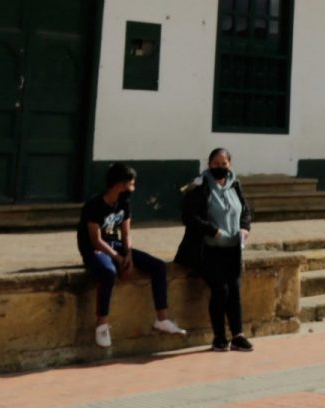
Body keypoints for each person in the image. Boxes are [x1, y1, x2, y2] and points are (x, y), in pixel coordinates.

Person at [78, 162, 185, 348]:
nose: (133, 189)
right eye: (131, 184)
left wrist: (128, 255)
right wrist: (118, 259)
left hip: (116, 245)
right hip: (95, 250)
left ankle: (162, 319)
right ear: (120, 184)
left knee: (158, 266)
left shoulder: (124, 203)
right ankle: (102, 323)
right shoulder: (94, 205)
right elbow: (95, 240)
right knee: (108, 272)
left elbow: (126, 233)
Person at [176, 148, 254, 352]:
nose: (220, 168)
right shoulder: (199, 187)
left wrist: (245, 228)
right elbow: (189, 217)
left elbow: (245, 210)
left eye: (224, 164)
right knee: (220, 290)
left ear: (230, 165)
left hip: (233, 248)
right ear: (209, 164)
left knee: (234, 292)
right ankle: (219, 337)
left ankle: (238, 335)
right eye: (216, 164)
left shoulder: (235, 184)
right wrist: (213, 230)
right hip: (208, 249)